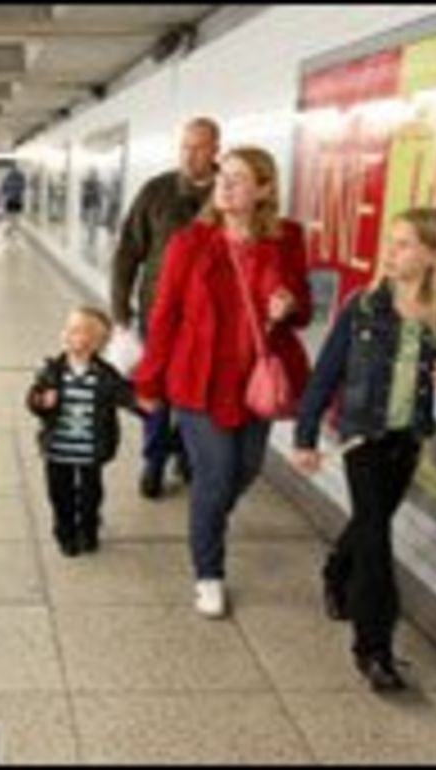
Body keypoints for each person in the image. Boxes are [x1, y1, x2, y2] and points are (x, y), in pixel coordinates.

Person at [292, 207, 436, 692]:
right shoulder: (363, 304)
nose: (390, 252)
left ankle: (334, 570)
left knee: (370, 525)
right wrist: (305, 436)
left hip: (407, 440)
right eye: (390, 242)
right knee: (376, 540)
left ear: (433, 255)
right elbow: (326, 371)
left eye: (404, 244)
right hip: (363, 439)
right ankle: (374, 649)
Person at [134, 146, 299, 619]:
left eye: (239, 178)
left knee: (245, 469)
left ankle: (205, 522)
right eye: (222, 176)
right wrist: (149, 380)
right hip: (200, 381)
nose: (224, 185)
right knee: (216, 474)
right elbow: (164, 316)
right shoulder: (191, 242)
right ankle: (209, 572)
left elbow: (303, 303)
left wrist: (288, 308)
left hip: (256, 383)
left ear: (265, 189)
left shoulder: (286, 240)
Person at [111, 117, 221, 500]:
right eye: (185, 147)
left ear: (215, 149)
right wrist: (120, 309)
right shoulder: (157, 192)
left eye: (200, 147)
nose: (191, 155)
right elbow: (127, 252)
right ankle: (154, 460)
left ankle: (188, 452)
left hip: (212, 323)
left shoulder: (229, 194)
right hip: (158, 313)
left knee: (195, 392)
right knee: (154, 391)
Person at [27, 307, 143, 557]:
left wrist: (144, 405)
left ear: (95, 343)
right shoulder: (52, 370)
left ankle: (88, 529)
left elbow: (126, 395)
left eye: (77, 331)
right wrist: (40, 401)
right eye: (68, 328)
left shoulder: (105, 375)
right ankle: (65, 532)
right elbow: (33, 399)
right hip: (58, 449)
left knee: (91, 495)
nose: (68, 334)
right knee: (60, 495)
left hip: (91, 449)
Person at [0, 165, 26, 237]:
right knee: (16, 215)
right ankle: (15, 229)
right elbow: (23, 187)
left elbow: (3, 188)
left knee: (10, 215)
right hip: (18, 199)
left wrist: (5, 194)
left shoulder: (8, 176)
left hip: (10, 199)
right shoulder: (21, 176)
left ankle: (11, 229)